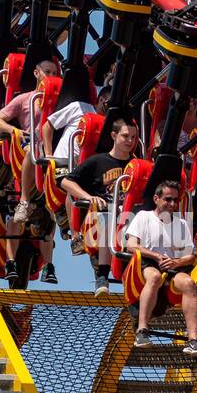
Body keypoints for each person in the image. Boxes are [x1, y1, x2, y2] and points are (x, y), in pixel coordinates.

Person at [123, 179, 197, 355]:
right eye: (168, 199)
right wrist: (156, 256)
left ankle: (193, 339)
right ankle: (142, 331)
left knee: (189, 283)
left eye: (175, 200)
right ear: (156, 199)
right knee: (153, 277)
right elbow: (131, 245)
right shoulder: (143, 216)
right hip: (148, 261)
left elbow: (191, 256)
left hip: (173, 265)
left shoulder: (181, 224)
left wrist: (176, 262)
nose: (172, 204)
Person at [59, 115, 138, 294]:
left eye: (133, 138)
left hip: (126, 218)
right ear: (113, 136)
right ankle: (102, 277)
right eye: (125, 136)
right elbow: (66, 182)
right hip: (96, 221)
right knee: (107, 217)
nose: (130, 141)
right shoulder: (97, 161)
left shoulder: (136, 165)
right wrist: (88, 197)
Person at [0, 57, 60, 224]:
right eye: (47, 72)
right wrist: (14, 130)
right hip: (32, 142)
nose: (51, 76)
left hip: (54, 143)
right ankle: (24, 201)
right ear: (36, 73)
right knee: (31, 152)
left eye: (55, 73)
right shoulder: (24, 99)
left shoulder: (60, 99)